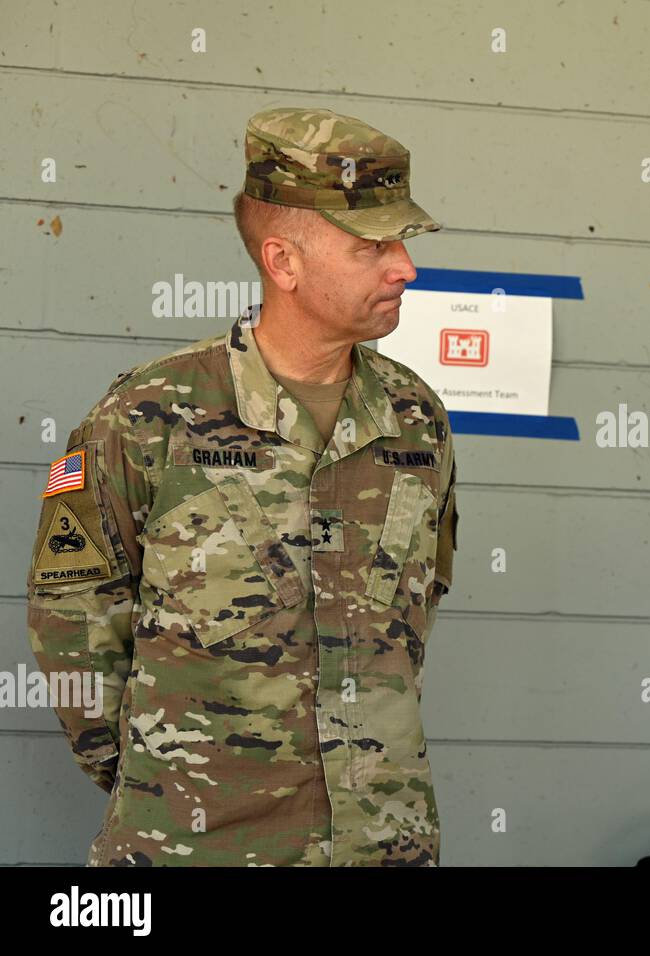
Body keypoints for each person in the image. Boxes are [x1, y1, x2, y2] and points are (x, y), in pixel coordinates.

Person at [25, 106, 460, 866]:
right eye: (372, 246)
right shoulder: (148, 414)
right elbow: (75, 628)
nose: (405, 268)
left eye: (402, 242)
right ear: (283, 262)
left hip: (383, 844)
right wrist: (164, 786)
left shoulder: (415, 418)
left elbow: (416, 616)